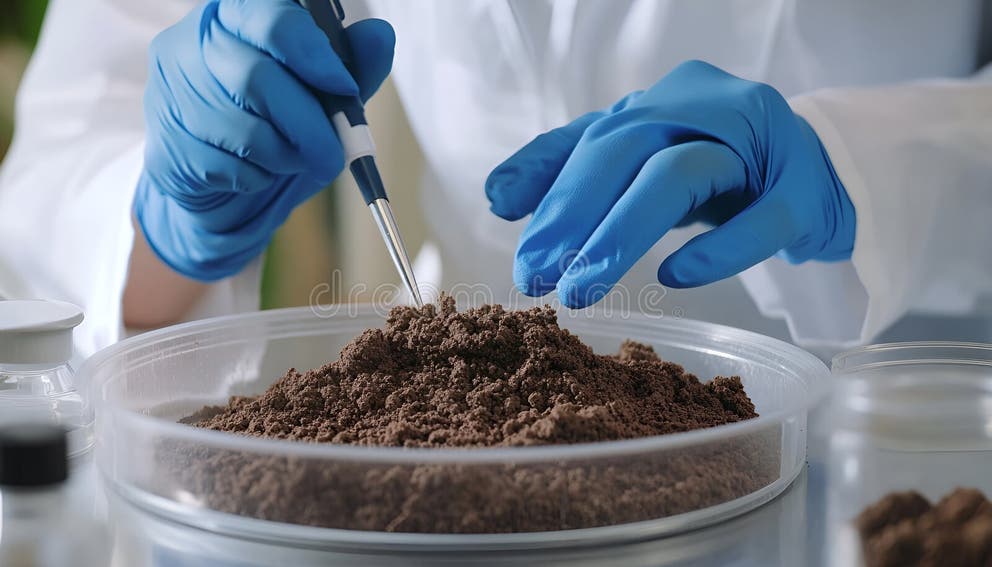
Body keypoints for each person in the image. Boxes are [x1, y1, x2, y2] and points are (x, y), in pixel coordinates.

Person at [0, 0, 990, 363]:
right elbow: (64, 151)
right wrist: (170, 220)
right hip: (462, 480)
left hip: (885, 437)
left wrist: (868, 166)